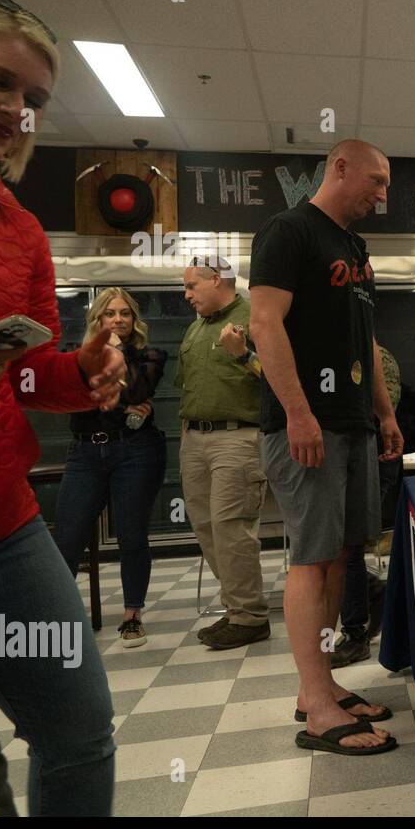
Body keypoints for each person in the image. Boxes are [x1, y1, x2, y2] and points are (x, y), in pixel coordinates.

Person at [0, 0, 123, 815]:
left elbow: (23, 377)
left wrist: (81, 373)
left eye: (32, 99)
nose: (14, 108)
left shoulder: (20, 229)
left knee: (79, 728)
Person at [250, 138, 402, 755]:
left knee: (344, 552)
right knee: (311, 557)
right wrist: (298, 413)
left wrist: (384, 413)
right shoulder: (288, 232)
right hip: (306, 425)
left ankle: (323, 683)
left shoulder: (355, 248)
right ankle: (316, 706)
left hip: (352, 423)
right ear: (339, 167)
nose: (383, 196)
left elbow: (363, 335)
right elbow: (264, 324)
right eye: (377, 181)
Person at [53, 288, 168, 648]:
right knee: (68, 539)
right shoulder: (76, 358)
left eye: (125, 314)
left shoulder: (150, 355)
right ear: (97, 319)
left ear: (134, 320)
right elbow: (73, 401)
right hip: (86, 454)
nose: (118, 319)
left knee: (132, 535)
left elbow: (134, 391)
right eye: (109, 314)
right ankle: (56, 620)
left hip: (135, 451)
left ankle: (132, 617)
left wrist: (117, 356)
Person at [176, 255, 271, 650]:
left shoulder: (257, 316)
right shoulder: (197, 328)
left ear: (216, 279)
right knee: (206, 527)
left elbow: (280, 376)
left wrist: (242, 354)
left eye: (191, 286)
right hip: (194, 437)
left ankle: (250, 617)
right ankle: (236, 609)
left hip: (238, 437)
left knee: (231, 527)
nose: (186, 296)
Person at [331, 343, 402, 668]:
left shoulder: (373, 354)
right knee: (343, 545)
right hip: (345, 452)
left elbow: (383, 405)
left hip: (370, 451)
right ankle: (372, 591)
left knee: (350, 544)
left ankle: (355, 633)